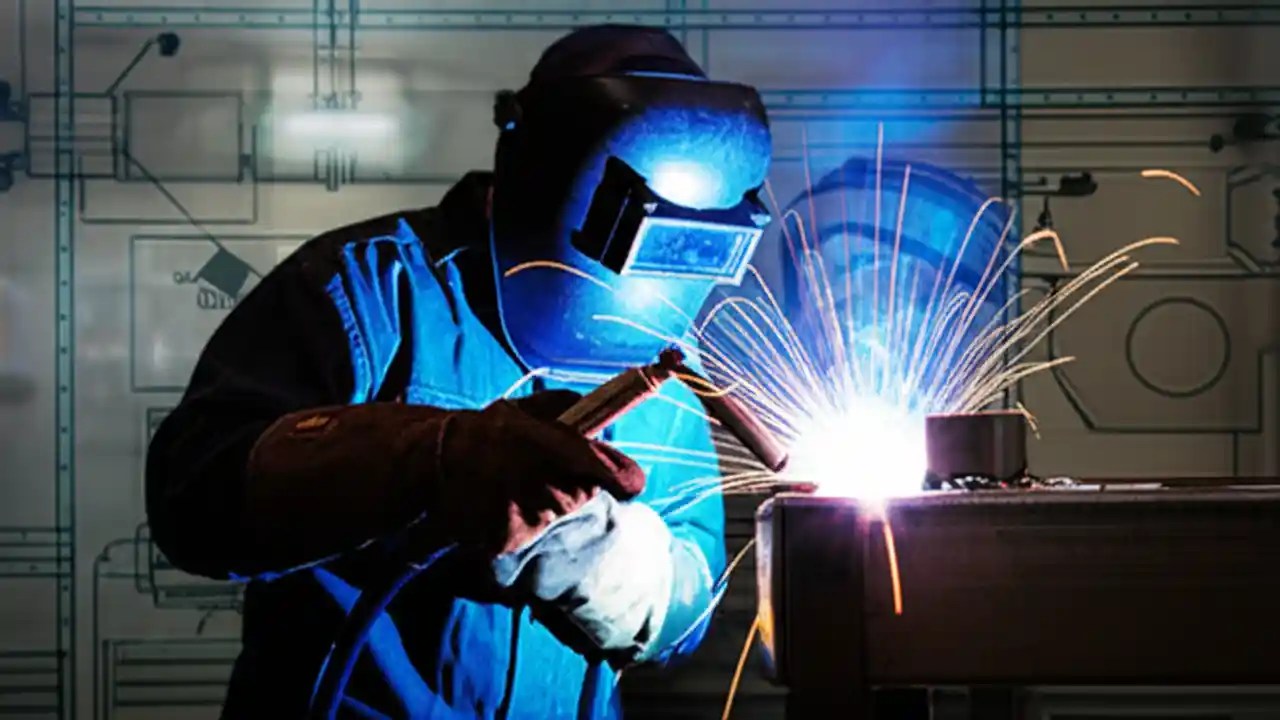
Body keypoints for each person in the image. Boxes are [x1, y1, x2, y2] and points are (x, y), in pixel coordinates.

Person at [145, 24, 773, 719]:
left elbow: (687, 615)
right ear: (544, 173)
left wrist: (607, 561)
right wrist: (428, 457)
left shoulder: (665, 355)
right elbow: (193, 498)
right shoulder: (366, 288)